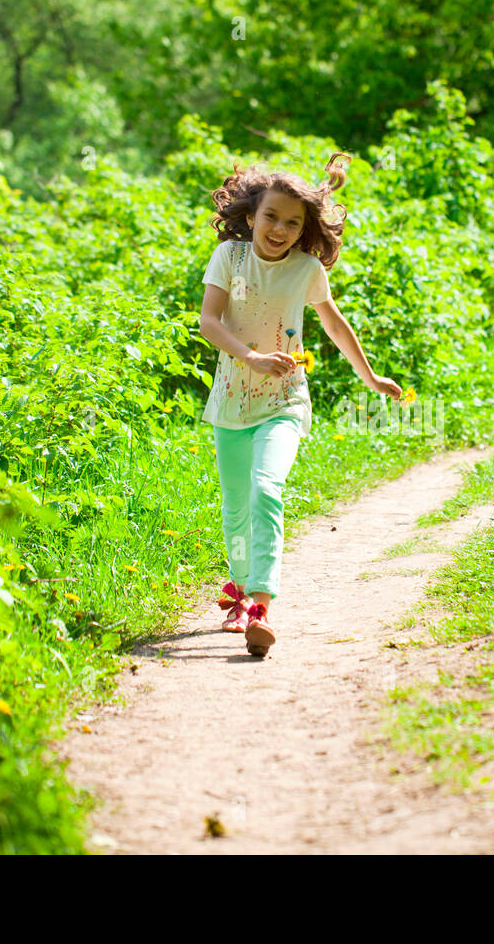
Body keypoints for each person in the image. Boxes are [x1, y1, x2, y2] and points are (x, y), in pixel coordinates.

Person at [198, 152, 402, 657]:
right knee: (235, 509)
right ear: (250, 217)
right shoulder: (229, 258)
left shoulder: (306, 269)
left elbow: (333, 323)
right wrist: (250, 356)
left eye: (293, 222)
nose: (280, 229)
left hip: (285, 401)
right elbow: (209, 321)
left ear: (303, 229)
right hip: (230, 401)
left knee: (266, 489)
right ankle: (241, 588)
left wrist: (371, 376)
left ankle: (260, 608)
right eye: (270, 217)